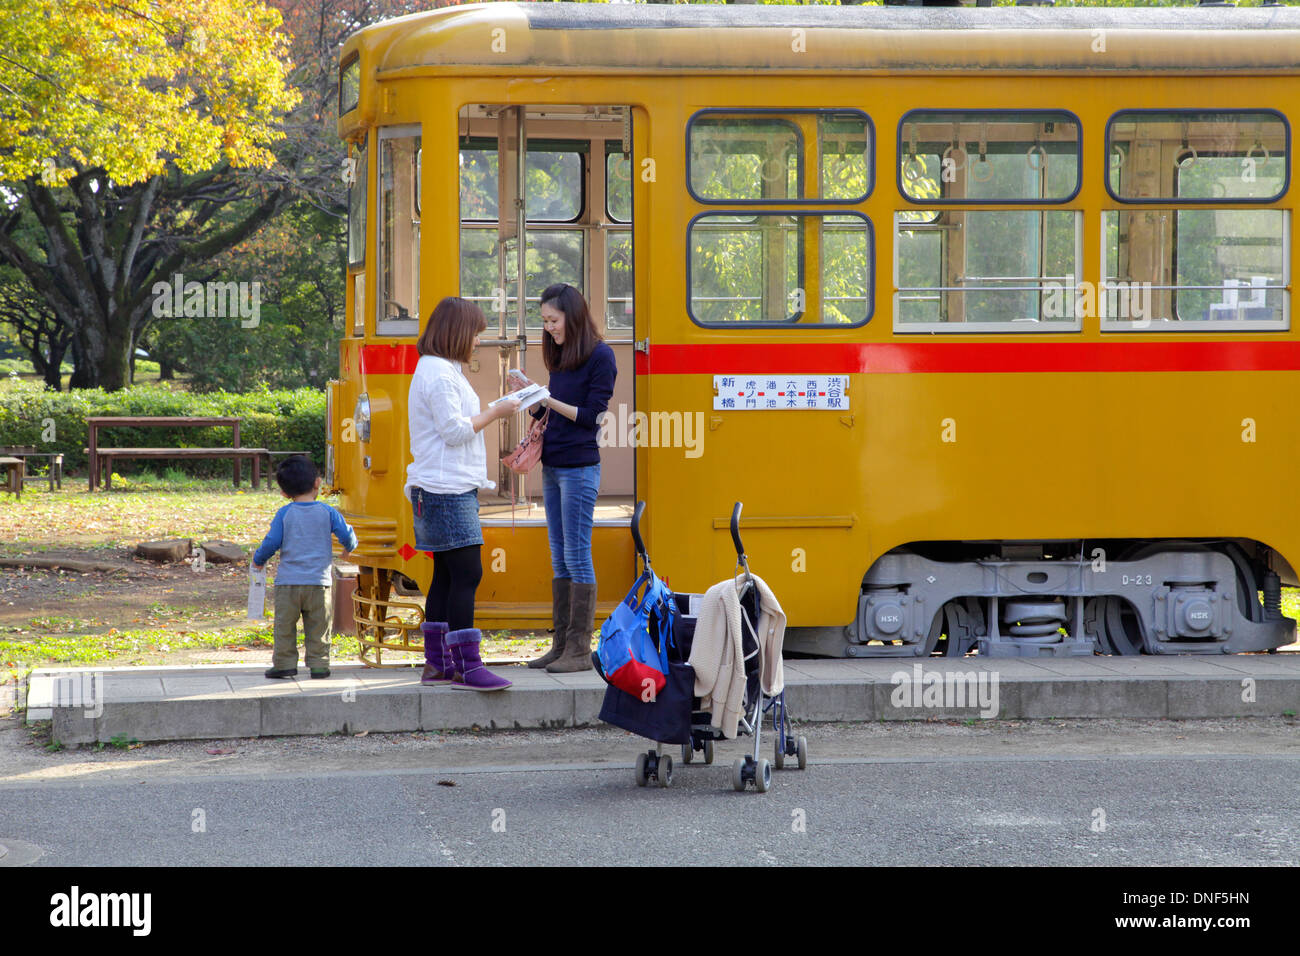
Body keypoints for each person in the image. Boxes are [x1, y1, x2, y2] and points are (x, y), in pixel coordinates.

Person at [406, 296, 520, 692]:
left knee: (447, 575)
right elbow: (455, 431)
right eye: (474, 334)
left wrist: (496, 406)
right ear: (456, 333)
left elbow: (455, 423)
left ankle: (437, 664)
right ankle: (468, 667)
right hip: (445, 487)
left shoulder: (440, 368)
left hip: (440, 485)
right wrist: (498, 412)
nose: (476, 342)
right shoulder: (438, 372)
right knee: (468, 572)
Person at [527, 283, 616, 673]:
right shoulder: (560, 353)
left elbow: (592, 416)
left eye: (553, 320)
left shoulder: (601, 355)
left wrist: (547, 399)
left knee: (577, 555)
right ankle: (561, 644)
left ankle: (580, 649)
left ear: (572, 316)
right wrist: (531, 400)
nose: (548, 328)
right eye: (544, 321)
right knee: (559, 556)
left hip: (580, 467)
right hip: (554, 464)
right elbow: (555, 413)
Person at [253, 455, 357, 680]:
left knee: (285, 626)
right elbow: (347, 534)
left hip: (288, 584)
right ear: (317, 483)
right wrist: (349, 548)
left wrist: (259, 559)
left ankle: (284, 664)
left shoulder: (284, 513)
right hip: (319, 584)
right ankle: (319, 665)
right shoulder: (327, 512)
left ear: (283, 492)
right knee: (319, 627)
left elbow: (272, 542)